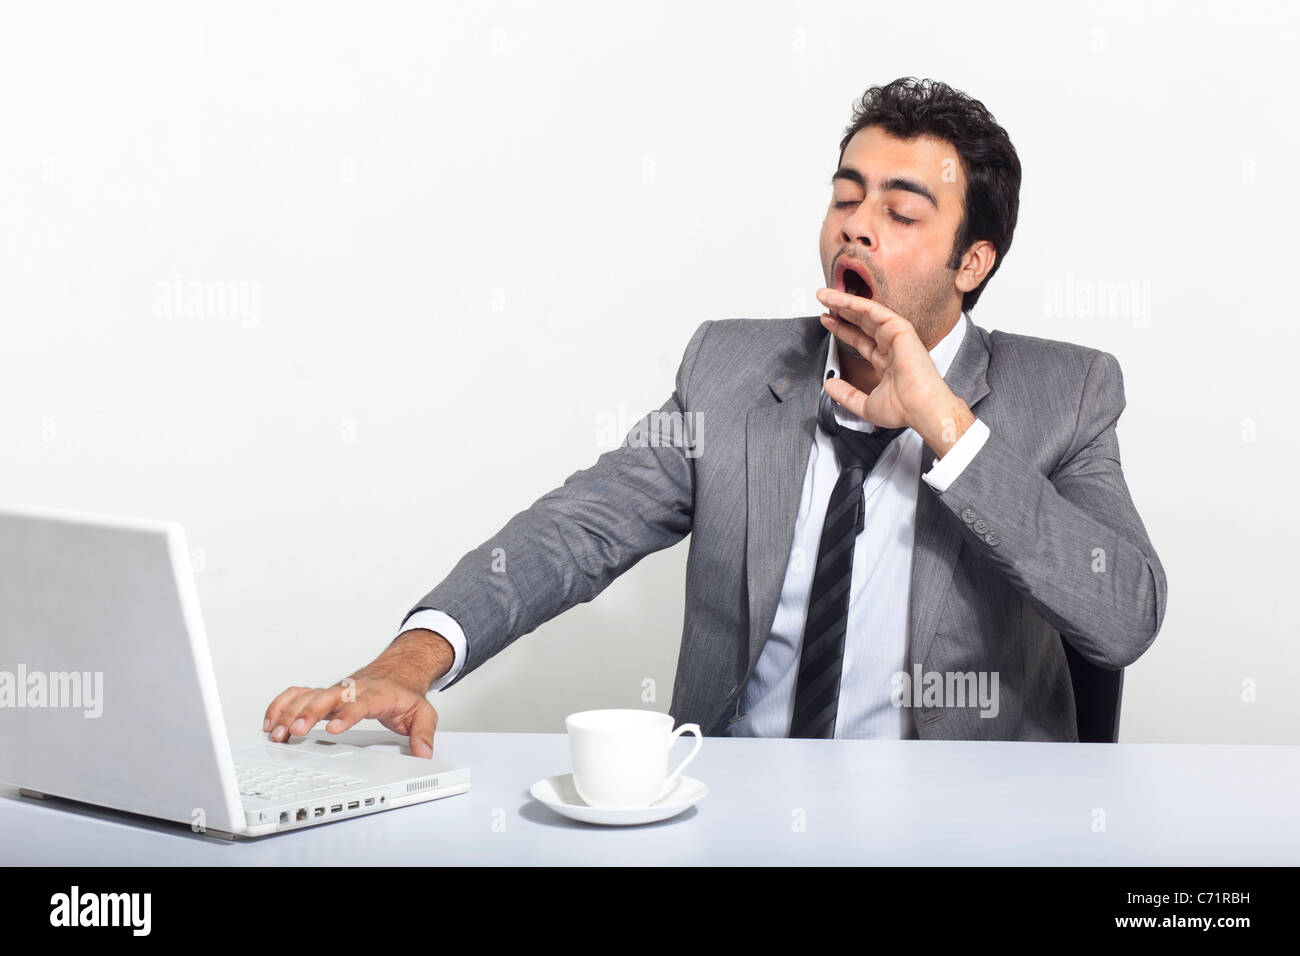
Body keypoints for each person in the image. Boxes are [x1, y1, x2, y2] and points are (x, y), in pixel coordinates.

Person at [264, 77, 1167, 756]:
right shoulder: (733, 371)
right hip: (733, 807)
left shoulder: (1068, 392)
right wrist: (411, 660)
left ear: (972, 262)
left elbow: (1124, 616)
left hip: (956, 828)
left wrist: (946, 426)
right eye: (846, 197)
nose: (855, 226)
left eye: (899, 212)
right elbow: (577, 529)